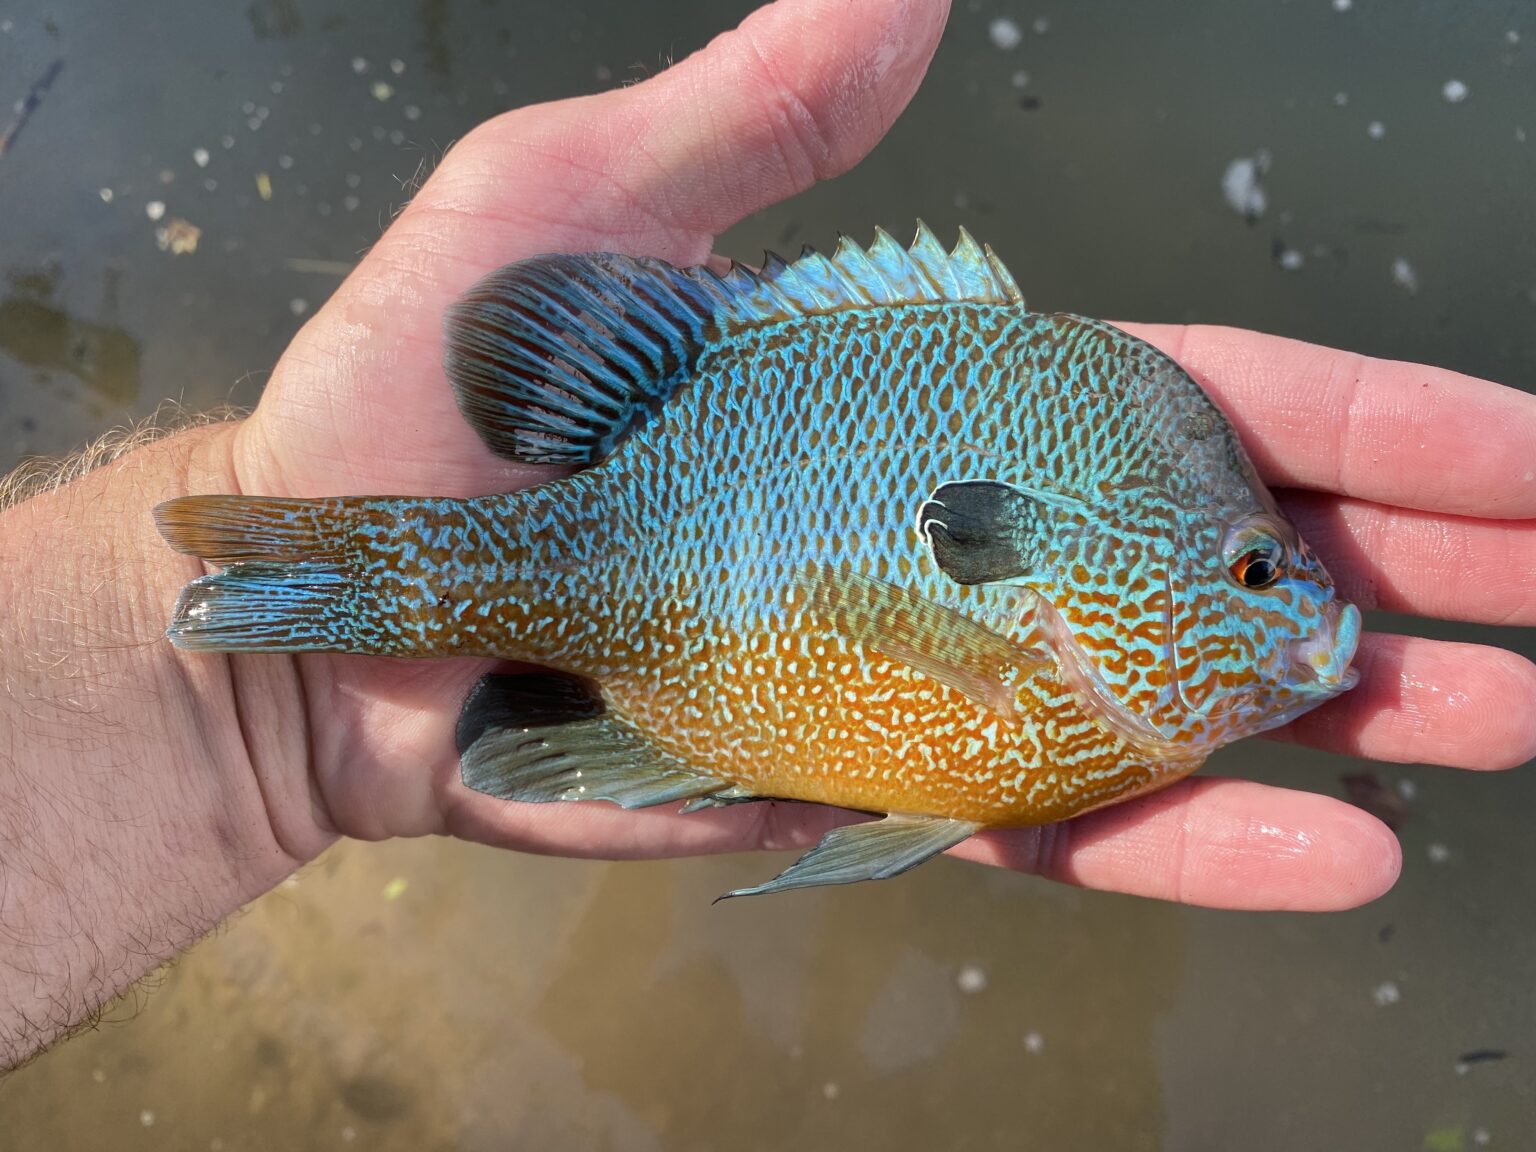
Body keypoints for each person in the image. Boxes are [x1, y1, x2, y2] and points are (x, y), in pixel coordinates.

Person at [2, 0, 1532, 1070]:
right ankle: (257, 604)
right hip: (655, 540)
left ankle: (248, 612)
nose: (1302, 623)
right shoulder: (1088, 655)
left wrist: (220, 733)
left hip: (679, 667)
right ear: (1078, 573)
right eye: (1256, 573)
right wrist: (217, 733)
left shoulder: (1120, 641)